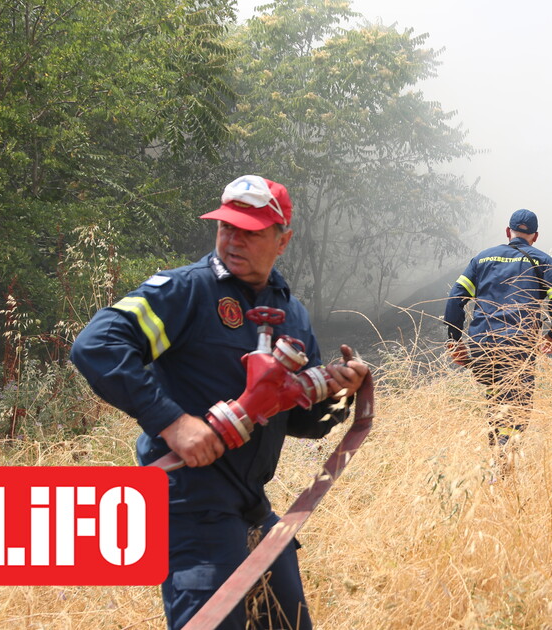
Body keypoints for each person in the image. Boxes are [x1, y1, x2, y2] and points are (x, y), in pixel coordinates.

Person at [71, 175, 368, 630]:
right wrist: (173, 423)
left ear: (282, 240)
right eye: (227, 227)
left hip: (251, 505)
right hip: (188, 503)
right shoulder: (186, 291)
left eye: (250, 232)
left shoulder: (293, 313)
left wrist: (338, 389)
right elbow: (96, 345)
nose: (234, 240)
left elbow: (303, 423)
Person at [443, 208, 552, 455]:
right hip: (517, 347)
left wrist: (454, 341)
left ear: (508, 232)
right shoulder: (542, 260)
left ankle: (494, 463)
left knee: (496, 404)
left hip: (481, 346)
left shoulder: (482, 259)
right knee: (516, 411)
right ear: (535, 236)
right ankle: (502, 471)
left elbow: (454, 298)